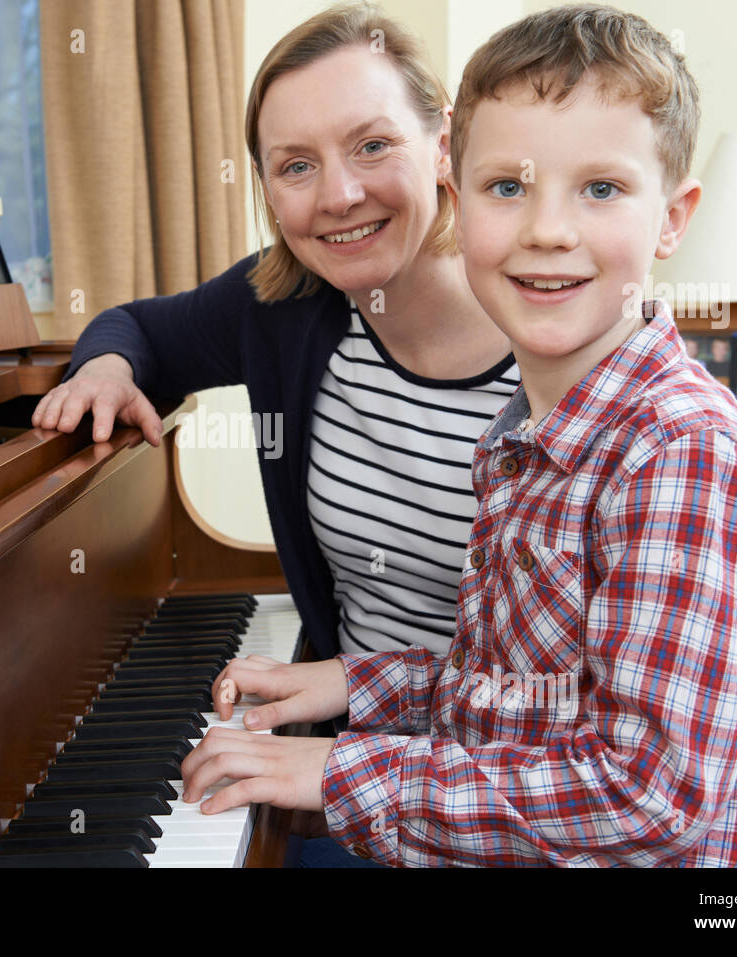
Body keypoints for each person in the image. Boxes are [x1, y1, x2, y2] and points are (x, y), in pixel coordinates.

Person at [181, 3, 737, 867]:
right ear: (456, 185)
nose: (547, 230)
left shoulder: (681, 456)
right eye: (508, 188)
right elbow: (517, 699)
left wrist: (338, 768)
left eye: (601, 188)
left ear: (673, 217)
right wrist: (348, 682)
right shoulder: (525, 434)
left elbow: (641, 795)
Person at [34, 9, 517, 666]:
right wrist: (106, 371)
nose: (340, 195)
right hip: (342, 733)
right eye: (296, 166)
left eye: (372, 146)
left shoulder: (549, 323)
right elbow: (135, 326)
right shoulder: (282, 306)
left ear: (443, 142)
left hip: (501, 759)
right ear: (265, 186)